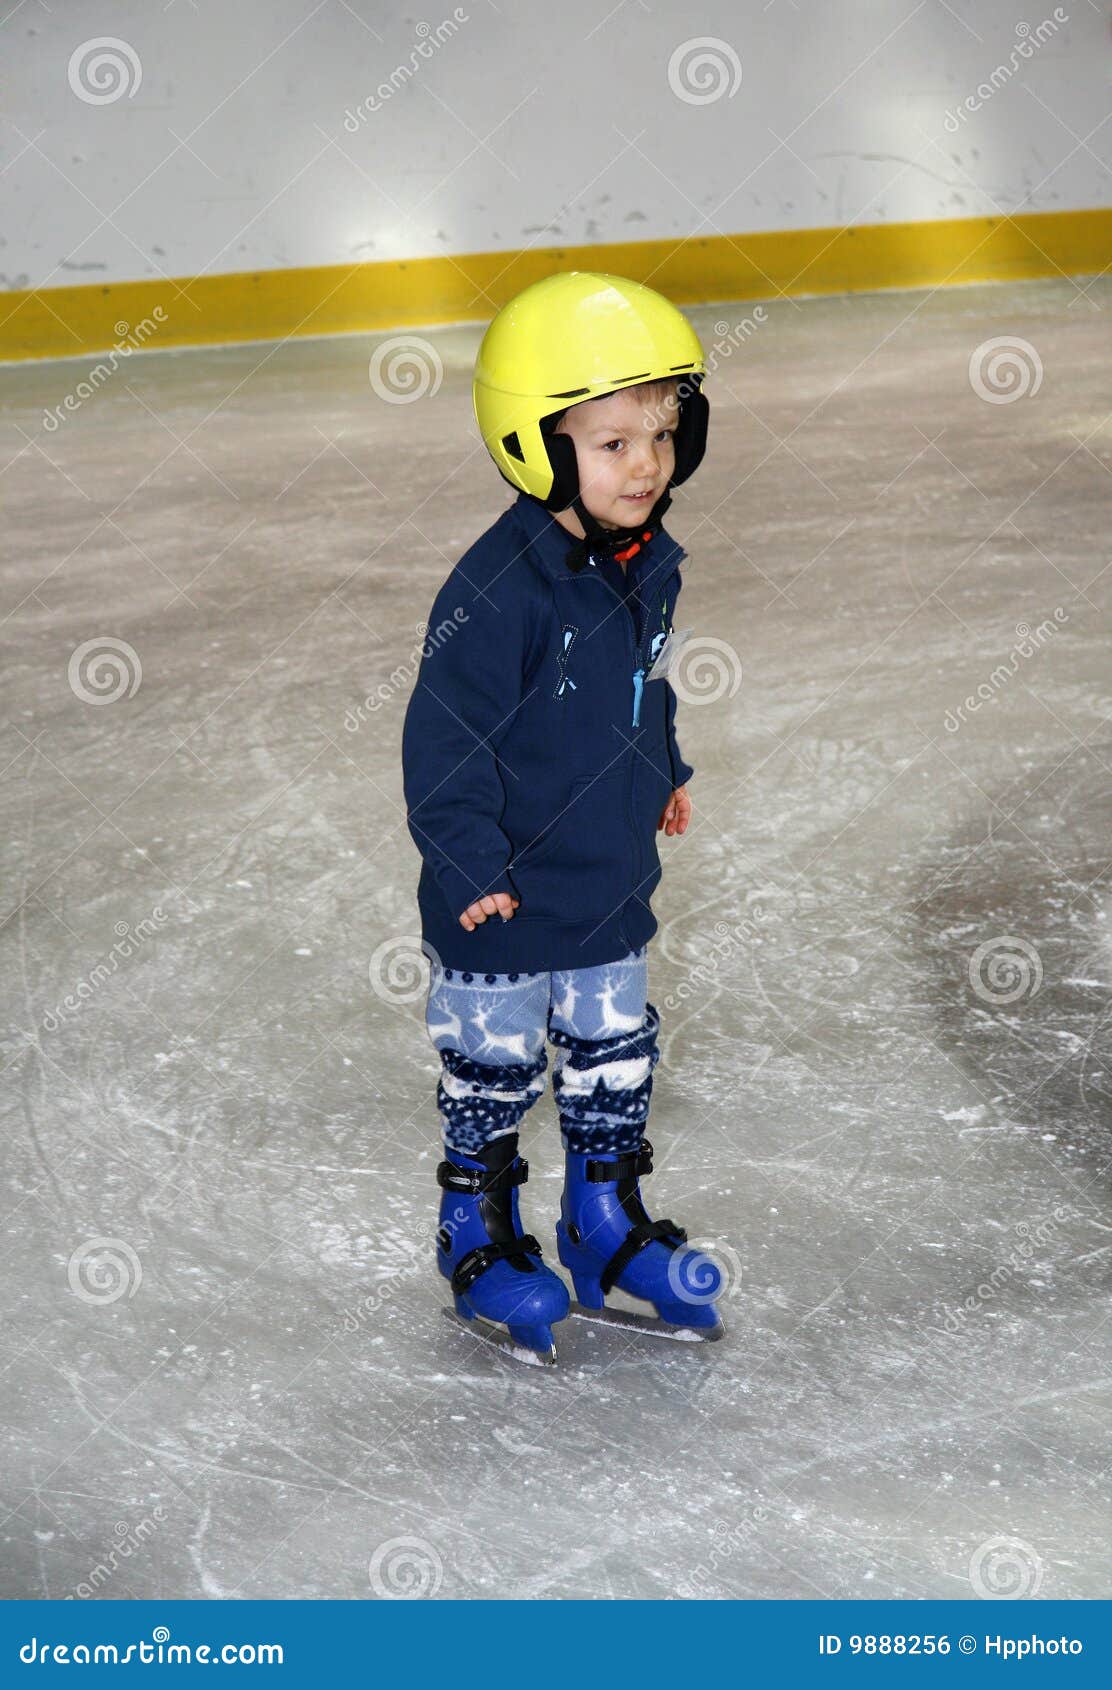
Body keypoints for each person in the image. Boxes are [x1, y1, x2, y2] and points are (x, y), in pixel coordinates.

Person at [401, 271, 724, 1365]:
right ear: (533, 447)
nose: (647, 465)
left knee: (612, 1061)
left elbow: (646, 685)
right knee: (492, 1074)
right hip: (501, 900)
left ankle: (602, 1226)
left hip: (605, 884)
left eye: (661, 436)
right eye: (613, 443)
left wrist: (663, 768)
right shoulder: (496, 593)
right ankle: (477, 1232)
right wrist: (467, 864)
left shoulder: (643, 566)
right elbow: (443, 740)